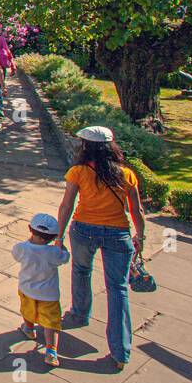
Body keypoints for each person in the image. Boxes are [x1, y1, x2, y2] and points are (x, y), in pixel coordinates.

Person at [55, 126, 147, 370]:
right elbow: (136, 210)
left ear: (86, 146)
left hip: (85, 229)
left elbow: (66, 205)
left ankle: (79, 314)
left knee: (81, 271)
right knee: (118, 289)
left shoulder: (78, 172)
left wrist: (59, 236)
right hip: (118, 233)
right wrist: (140, 235)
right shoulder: (126, 174)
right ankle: (120, 352)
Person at [12, 213, 70, 367]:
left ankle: (29, 329)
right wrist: (61, 245)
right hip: (48, 295)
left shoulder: (22, 248)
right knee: (51, 323)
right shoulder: (53, 253)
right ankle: (51, 350)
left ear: (30, 229)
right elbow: (65, 257)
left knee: (27, 311)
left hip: (26, 289)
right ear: (52, 238)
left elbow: (15, 254)